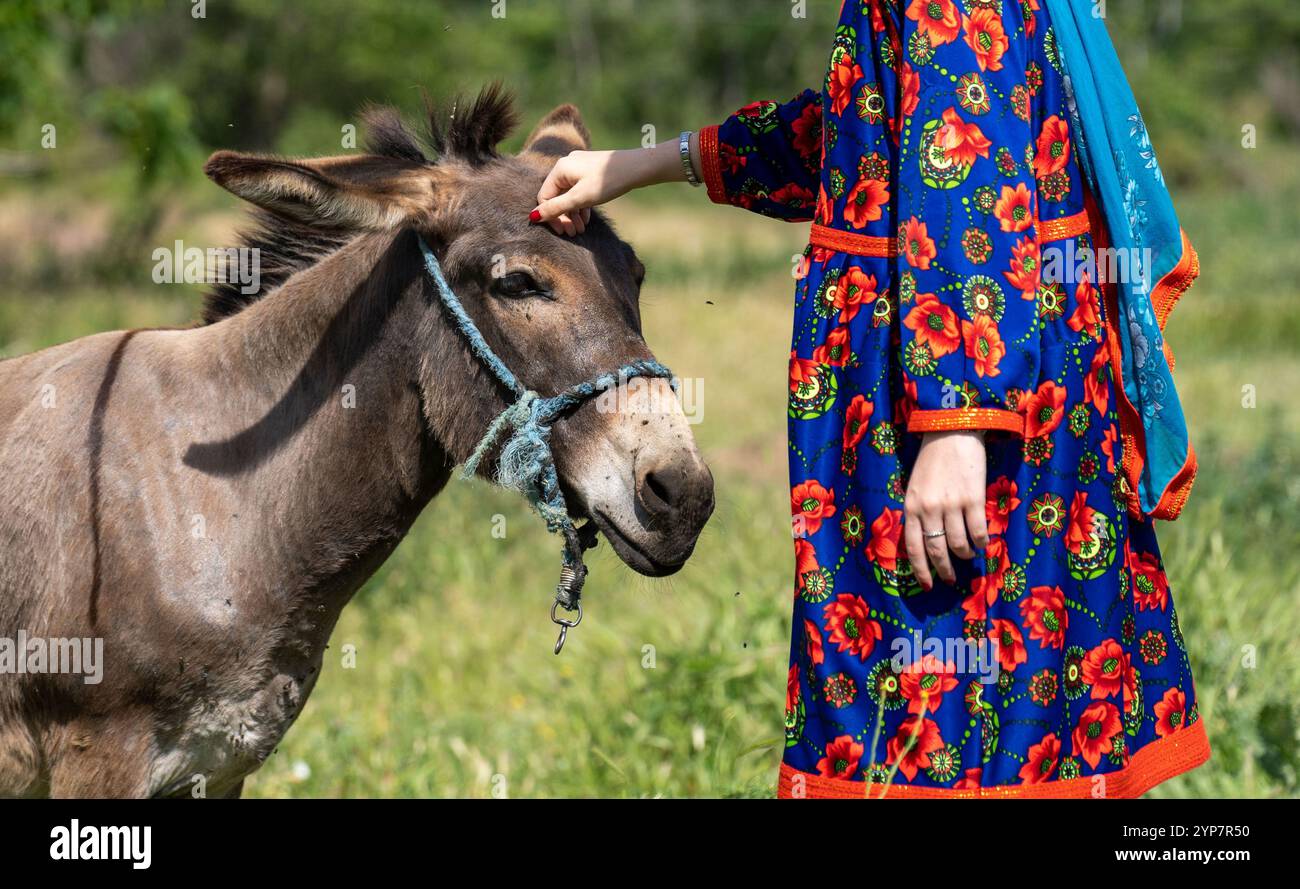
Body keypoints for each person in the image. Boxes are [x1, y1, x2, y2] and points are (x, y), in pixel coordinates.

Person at [531, 0, 1207, 797]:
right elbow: (869, 130)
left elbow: (972, 172)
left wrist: (958, 426)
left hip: (956, 395)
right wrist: (643, 163)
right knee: (986, 712)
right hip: (990, 376)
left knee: (944, 725)